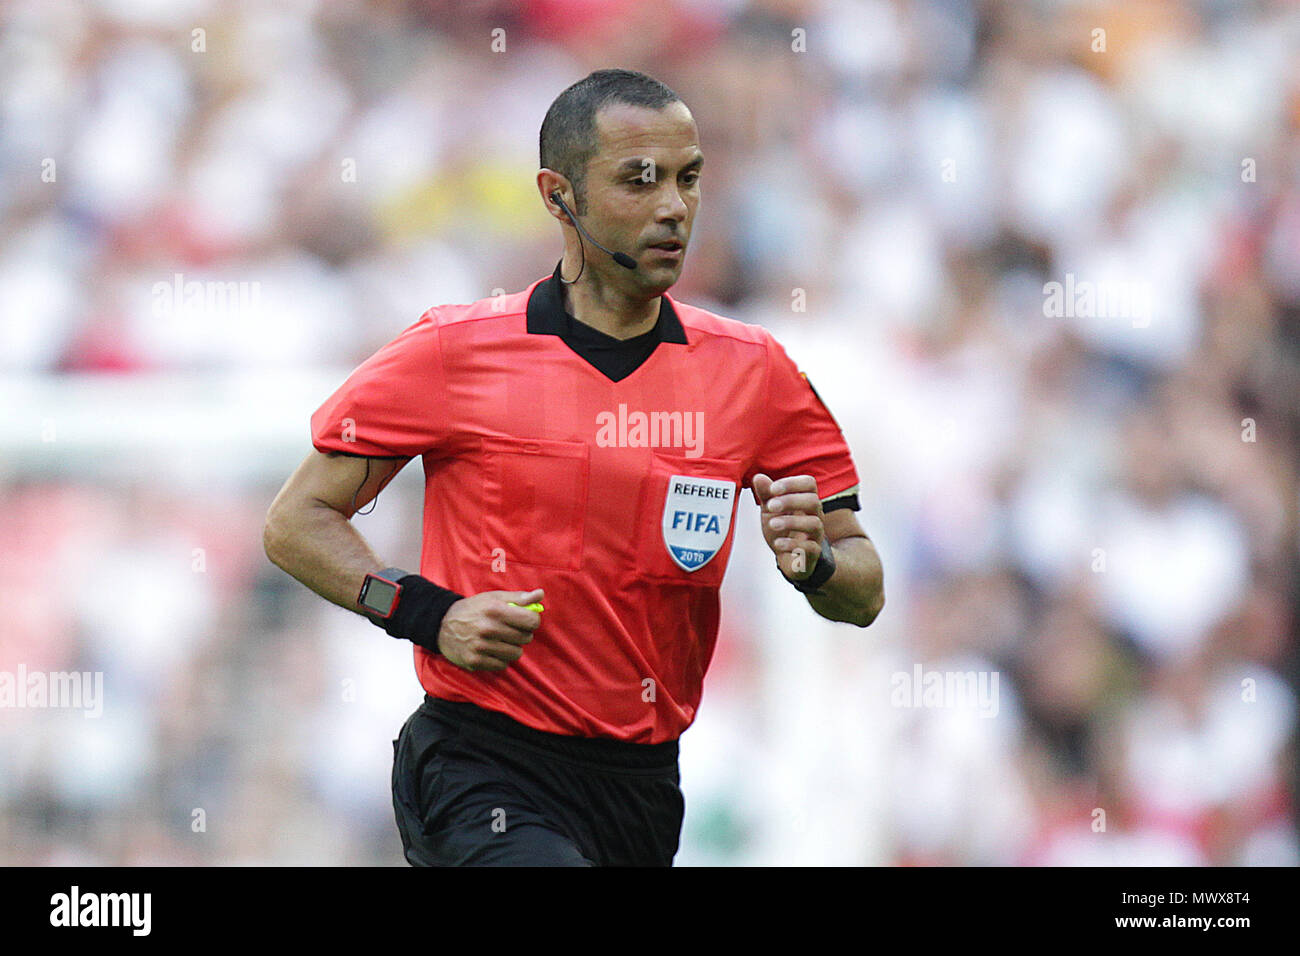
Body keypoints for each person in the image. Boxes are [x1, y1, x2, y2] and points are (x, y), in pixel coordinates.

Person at [263, 68, 884, 866]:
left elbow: (863, 592)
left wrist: (819, 564)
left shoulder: (754, 373)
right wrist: (427, 613)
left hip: (642, 788)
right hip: (480, 766)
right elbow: (294, 521)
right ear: (560, 196)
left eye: (689, 179)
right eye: (640, 180)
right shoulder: (456, 352)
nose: (674, 207)